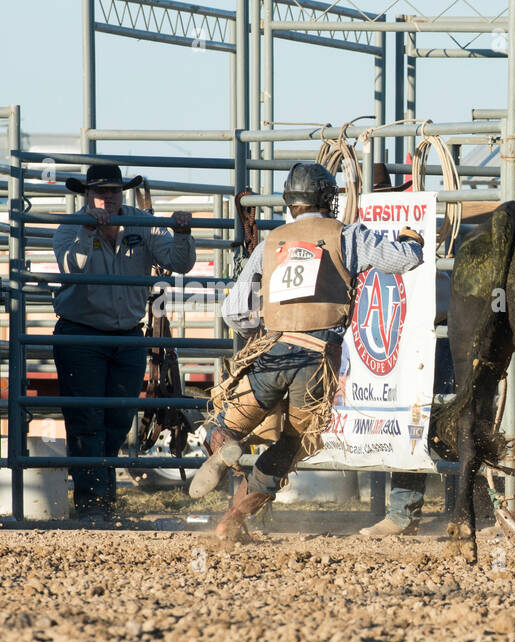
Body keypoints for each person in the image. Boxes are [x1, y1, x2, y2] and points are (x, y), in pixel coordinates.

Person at [188, 162, 424, 543]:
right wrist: (413, 239)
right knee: (294, 443)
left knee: (225, 425)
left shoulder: (270, 243)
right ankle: (232, 518)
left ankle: (224, 448)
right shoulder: (345, 235)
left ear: (290, 202)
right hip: (317, 361)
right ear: (328, 200)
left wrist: (263, 332)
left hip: (274, 353)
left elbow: (233, 310)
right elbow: (405, 260)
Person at [51, 163, 195, 521]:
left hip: (126, 335)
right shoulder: (71, 227)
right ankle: (92, 504)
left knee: (117, 418)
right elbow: (73, 270)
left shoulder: (142, 222)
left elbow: (180, 262)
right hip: (81, 333)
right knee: (87, 419)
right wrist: (87, 233)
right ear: (87, 194)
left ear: (122, 192)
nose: (107, 199)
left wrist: (181, 233)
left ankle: (100, 501)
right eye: (100, 192)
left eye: (113, 191)